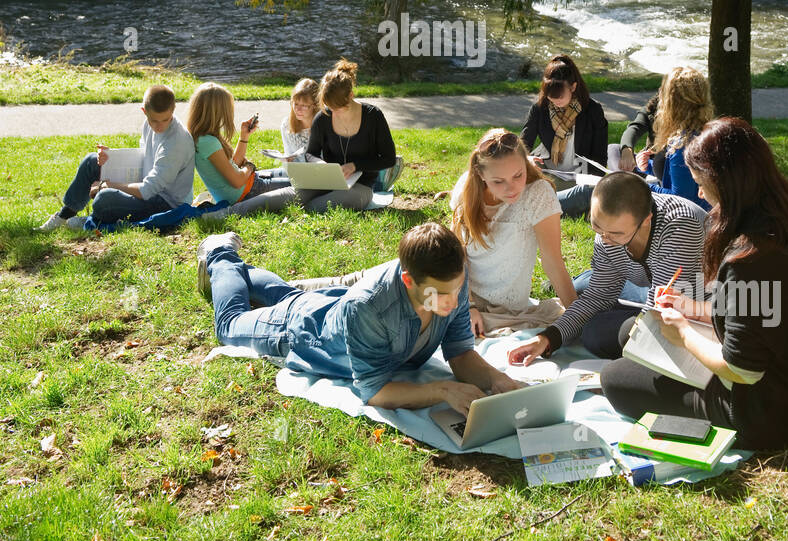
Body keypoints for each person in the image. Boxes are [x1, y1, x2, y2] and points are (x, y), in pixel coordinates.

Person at [601, 118, 788, 450]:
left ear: (727, 183)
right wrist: (691, 308)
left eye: (701, 183)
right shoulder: (787, 224)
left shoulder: (749, 258)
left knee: (614, 380)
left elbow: (742, 369)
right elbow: (764, 310)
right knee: (631, 333)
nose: (698, 192)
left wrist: (685, 333)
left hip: (761, 412)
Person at [196, 221, 525, 412]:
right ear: (408, 280)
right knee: (229, 326)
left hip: (329, 307)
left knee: (289, 296)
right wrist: (442, 391)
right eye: (440, 295)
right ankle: (219, 253)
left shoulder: (450, 277)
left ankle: (238, 272)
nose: (454, 303)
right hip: (297, 332)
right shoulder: (369, 308)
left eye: (457, 291)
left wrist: (498, 381)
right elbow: (374, 391)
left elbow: (460, 352)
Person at [508, 172, 708, 362]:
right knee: (584, 297)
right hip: (648, 285)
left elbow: (660, 311)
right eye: (597, 227)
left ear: (646, 220)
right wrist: (548, 338)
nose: (605, 239)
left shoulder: (681, 229)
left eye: (615, 233)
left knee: (599, 332)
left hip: (699, 301)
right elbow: (597, 298)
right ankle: (587, 281)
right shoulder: (608, 236)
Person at [450, 129, 578, 338]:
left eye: (518, 175)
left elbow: (553, 262)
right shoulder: (466, 189)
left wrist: (577, 317)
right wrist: (468, 306)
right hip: (465, 299)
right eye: (498, 181)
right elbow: (457, 255)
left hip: (509, 310)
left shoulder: (538, 194)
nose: (511, 188)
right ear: (480, 174)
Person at [39, 84, 195, 231]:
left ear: (173, 111)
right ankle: (63, 216)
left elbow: (148, 189)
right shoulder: (148, 125)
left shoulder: (176, 143)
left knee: (104, 199)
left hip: (166, 202)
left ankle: (91, 220)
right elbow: (143, 157)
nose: (159, 126)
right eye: (154, 120)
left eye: (165, 120)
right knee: (91, 162)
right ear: (144, 111)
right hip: (146, 186)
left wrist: (107, 185)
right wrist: (112, 158)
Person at [299, 58, 397, 214]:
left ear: (351, 95)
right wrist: (322, 165)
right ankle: (245, 207)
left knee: (339, 199)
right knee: (291, 195)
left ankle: (301, 212)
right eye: (330, 108)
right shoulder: (323, 116)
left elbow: (389, 158)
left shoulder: (373, 116)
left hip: (361, 186)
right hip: (327, 180)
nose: (334, 113)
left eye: (339, 108)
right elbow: (311, 153)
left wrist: (355, 166)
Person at [519, 54, 609, 218]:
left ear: (573, 87)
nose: (554, 101)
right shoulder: (540, 109)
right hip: (548, 175)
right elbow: (523, 144)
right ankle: (550, 206)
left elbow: (600, 159)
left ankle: (538, 207)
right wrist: (527, 158)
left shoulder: (593, 111)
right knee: (523, 180)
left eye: (559, 95)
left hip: (580, 179)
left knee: (587, 192)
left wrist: (589, 179)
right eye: (550, 96)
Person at [186, 83, 294, 208]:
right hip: (247, 192)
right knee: (303, 184)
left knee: (294, 173)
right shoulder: (208, 142)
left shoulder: (203, 137)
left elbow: (233, 165)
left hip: (250, 185)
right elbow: (237, 181)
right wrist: (249, 166)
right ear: (218, 112)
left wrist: (244, 136)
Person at [634, 66, 712, 211]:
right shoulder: (704, 131)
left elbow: (680, 199)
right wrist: (647, 166)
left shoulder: (684, 143)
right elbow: (682, 178)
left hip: (692, 223)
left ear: (671, 103)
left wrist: (639, 186)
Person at [617, 94, 658, 173]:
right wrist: (627, 150)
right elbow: (635, 128)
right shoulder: (654, 107)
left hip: (663, 167)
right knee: (613, 149)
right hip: (646, 163)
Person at [280, 78, 319, 159]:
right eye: (296, 104)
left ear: (315, 105)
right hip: (295, 170)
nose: (298, 109)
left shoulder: (325, 124)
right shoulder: (286, 124)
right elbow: (288, 153)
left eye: (304, 105)